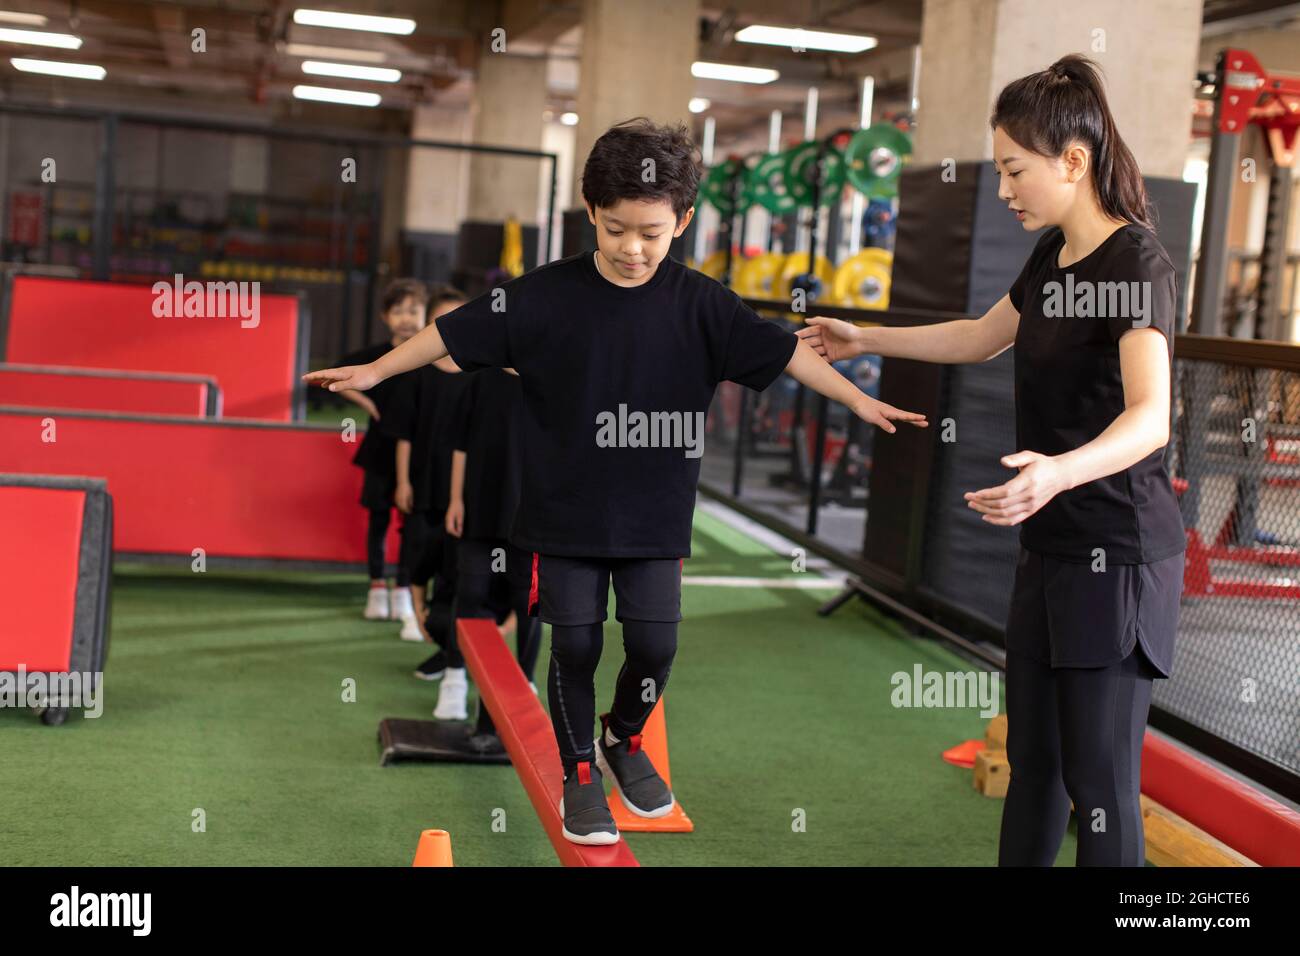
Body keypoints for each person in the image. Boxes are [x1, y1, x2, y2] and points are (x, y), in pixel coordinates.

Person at [305, 117, 926, 845]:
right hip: (563, 512)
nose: (633, 249)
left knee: (655, 646)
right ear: (591, 214)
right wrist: (377, 368)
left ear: (683, 221)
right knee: (574, 645)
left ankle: (621, 739)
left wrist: (856, 396)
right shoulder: (543, 296)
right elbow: (454, 332)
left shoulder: (703, 305)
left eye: (652, 234)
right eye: (615, 229)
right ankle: (578, 773)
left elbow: (785, 354)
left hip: (654, 516)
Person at [798, 55, 1184, 867]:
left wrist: (1056, 471)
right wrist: (865, 336)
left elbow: (1151, 418)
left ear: (1072, 162)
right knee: (1034, 764)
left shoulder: (1135, 263)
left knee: (1100, 782)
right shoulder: (1051, 259)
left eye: (1015, 170)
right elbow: (979, 335)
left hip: (1116, 553)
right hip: (1049, 548)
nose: (1004, 187)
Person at [439, 362, 540, 729]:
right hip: (479, 509)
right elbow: (460, 448)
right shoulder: (479, 380)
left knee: (529, 602)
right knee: (469, 593)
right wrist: (455, 499)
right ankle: (454, 677)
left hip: (528, 517)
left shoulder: (551, 380)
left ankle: (525, 684)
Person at [333, 278, 427, 624]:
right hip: (379, 449)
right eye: (398, 311)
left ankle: (403, 588)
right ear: (386, 317)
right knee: (379, 518)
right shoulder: (372, 357)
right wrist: (364, 401)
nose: (406, 318)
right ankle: (376, 587)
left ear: (425, 313)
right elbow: (335, 376)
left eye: (413, 310)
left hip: (418, 453)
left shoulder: (428, 356)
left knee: (412, 524)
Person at [386, 285, 470, 656]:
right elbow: (404, 434)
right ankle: (412, 606)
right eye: (443, 320)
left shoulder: (477, 373)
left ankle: (445, 628)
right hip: (423, 479)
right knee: (419, 547)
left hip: (460, 489)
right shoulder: (416, 373)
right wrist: (403, 480)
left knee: (454, 559)